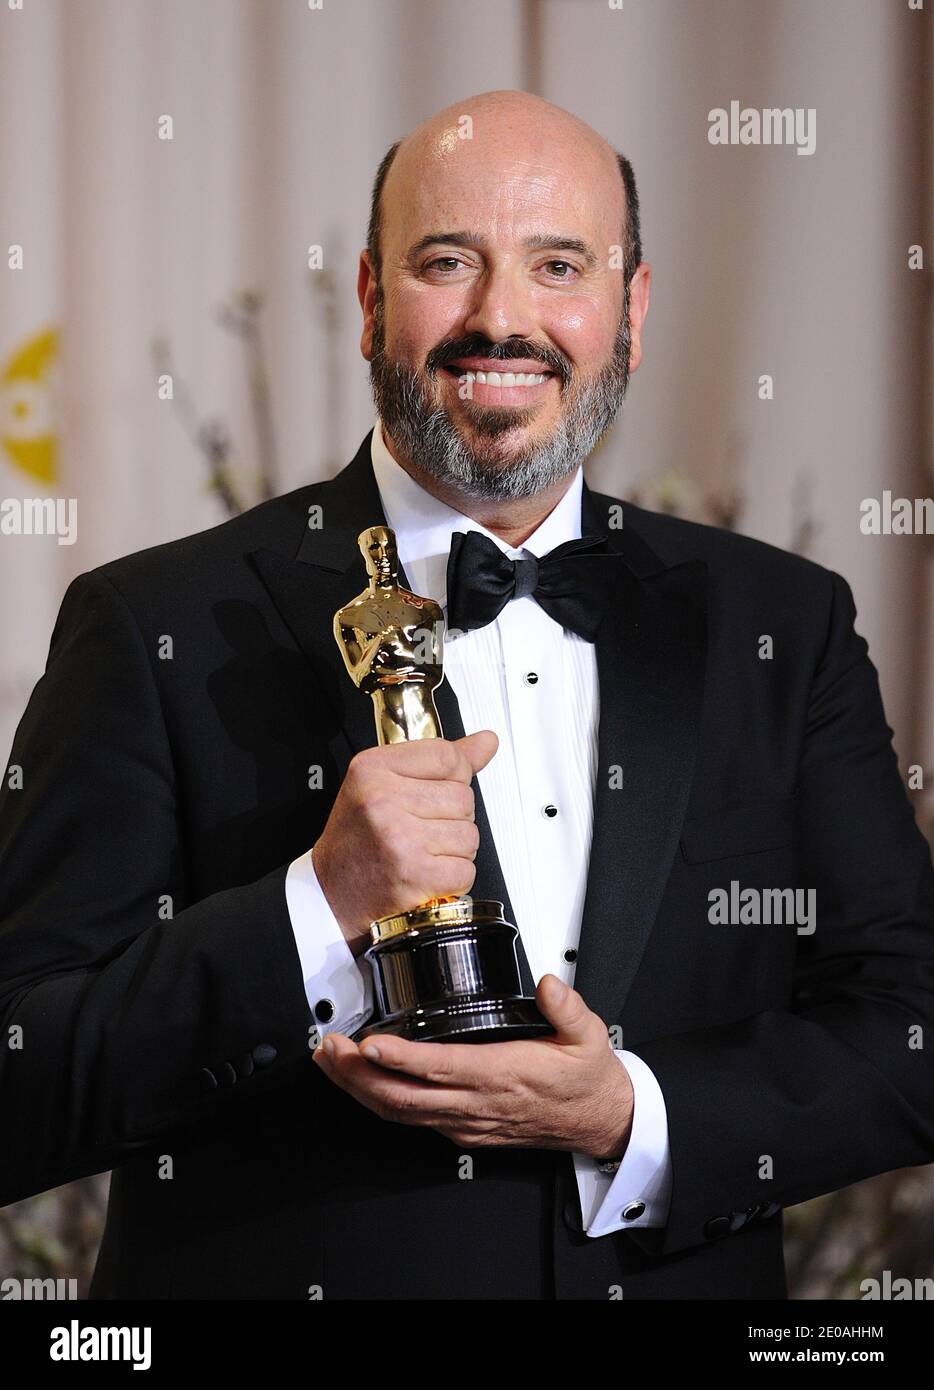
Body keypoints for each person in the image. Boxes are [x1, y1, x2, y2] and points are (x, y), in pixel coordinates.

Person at [1, 90, 932, 1301]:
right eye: (450, 262)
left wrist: (629, 1114)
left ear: (630, 310)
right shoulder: (156, 623)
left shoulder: (778, 625)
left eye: (559, 265)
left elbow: (909, 1032)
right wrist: (314, 908)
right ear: (373, 304)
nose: (504, 318)